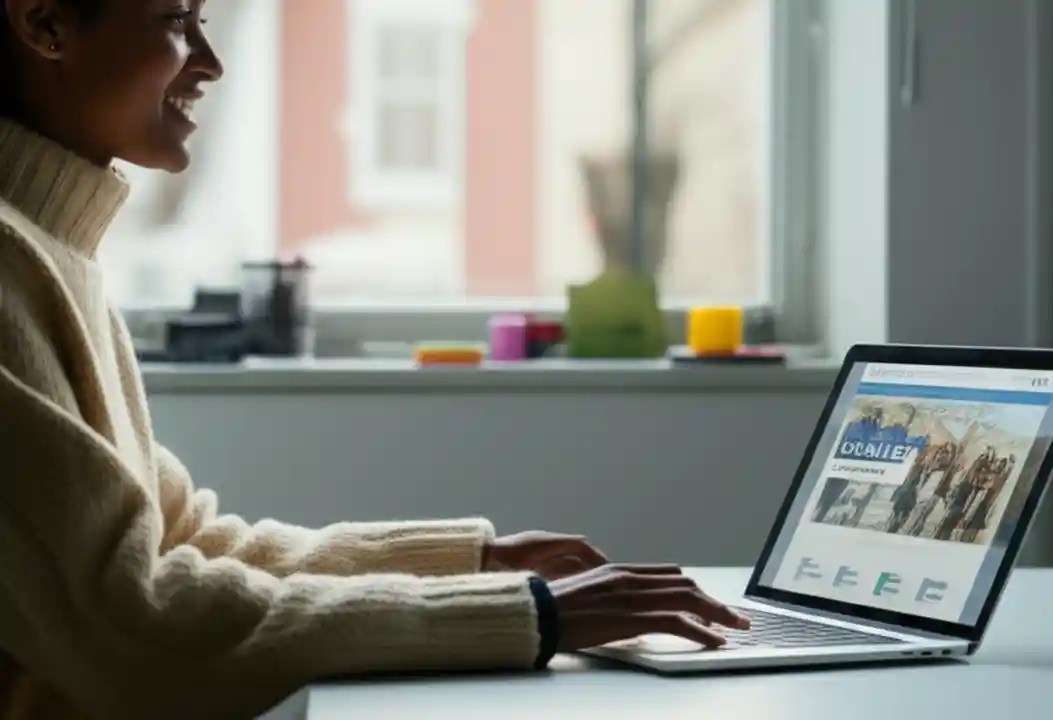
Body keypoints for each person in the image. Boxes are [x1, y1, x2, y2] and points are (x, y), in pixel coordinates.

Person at [0, 2, 749, 718]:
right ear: (44, 22)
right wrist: (527, 615)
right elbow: (136, 624)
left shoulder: (53, 246)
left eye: (205, 21)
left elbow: (188, 541)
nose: (210, 61)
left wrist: (470, 562)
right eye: (174, 21)